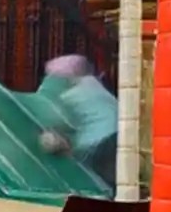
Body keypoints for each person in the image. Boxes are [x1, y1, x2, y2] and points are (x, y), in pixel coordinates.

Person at [38, 54, 118, 185]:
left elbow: (56, 123)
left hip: (94, 145)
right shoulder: (95, 86)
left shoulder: (64, 95)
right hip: (119, 137)